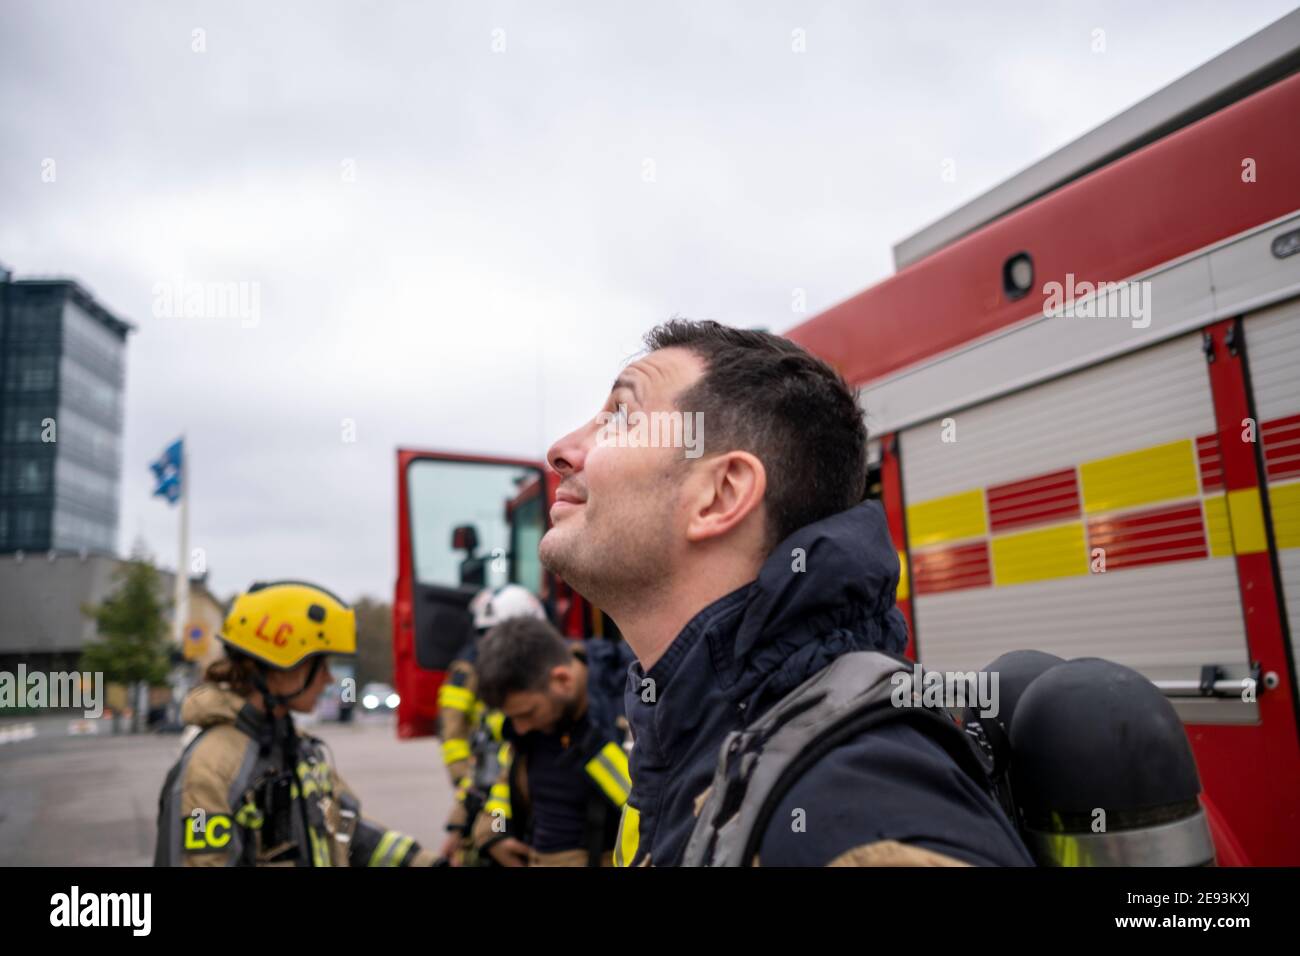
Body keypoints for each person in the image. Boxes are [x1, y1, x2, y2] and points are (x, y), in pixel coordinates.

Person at [537, 319, 1034, 867]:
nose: (561, 451)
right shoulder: (687, 742)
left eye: (622, 417)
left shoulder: (857, 809)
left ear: (721, 494)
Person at [154, 581, 436, 867]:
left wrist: (426, 862)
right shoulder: (211, 769)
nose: (329, 678)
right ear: (279, 664)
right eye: (319, 664)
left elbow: (349, 832)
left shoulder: (293, 746)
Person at [469, 617, 634, 867]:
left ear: (562, 680)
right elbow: (502, 789)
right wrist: (495, 832)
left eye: (527, 714)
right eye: (512, 718)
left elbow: (649, 803)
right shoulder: (533, 725)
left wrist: (593, 748)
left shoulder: (627, 708)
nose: (520, 728)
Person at [435, 584, 548, 865]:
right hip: (499, 807)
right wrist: (463, 827)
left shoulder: (533, 702)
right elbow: (488, 772)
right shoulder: (508, 698)